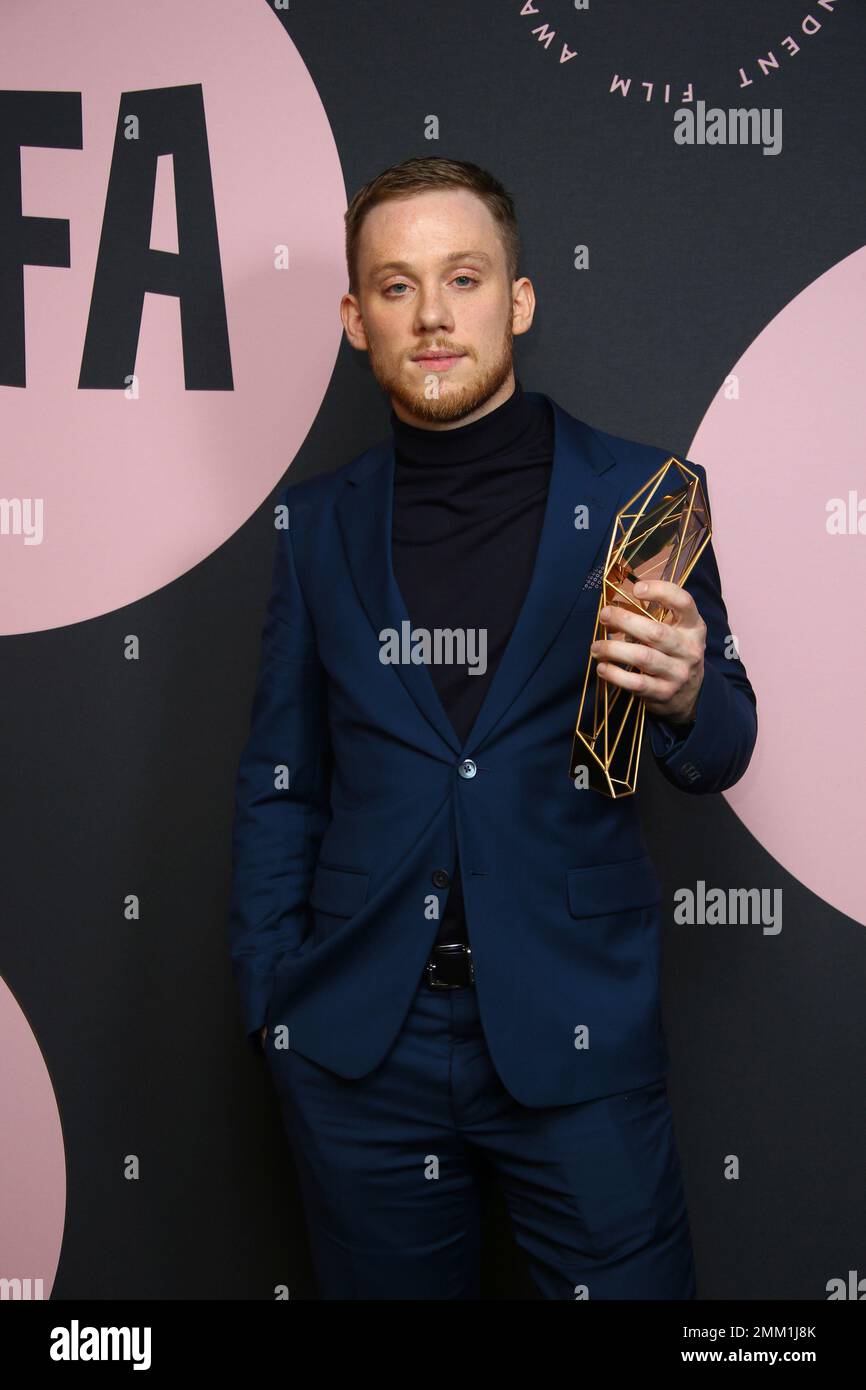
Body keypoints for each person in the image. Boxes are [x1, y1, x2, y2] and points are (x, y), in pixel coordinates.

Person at [228, 156, 757, 1300]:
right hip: (359, 1045)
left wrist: (682, 691)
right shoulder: (316, 526)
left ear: (516, 298)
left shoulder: (643, 495)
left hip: (575, 1033)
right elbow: (281, 781)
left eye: (462, 279)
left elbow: (719, 745)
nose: (430, 316)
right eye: (395, 286)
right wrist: (276, 999)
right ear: (354, 317)